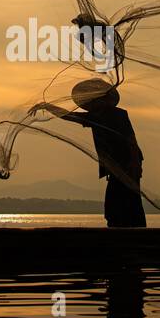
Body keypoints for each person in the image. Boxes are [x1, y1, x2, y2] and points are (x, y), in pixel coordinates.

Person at [30, 79, 147, 228]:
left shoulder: (117, 114)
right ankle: (122, 228)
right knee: (118, 203)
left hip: (127, 164)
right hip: (119, 167)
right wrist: (47, 106)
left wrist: (134, 162)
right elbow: (69, 116)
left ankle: (131, 230)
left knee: (126, 201)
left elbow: (131, 139)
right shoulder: (96, 116)